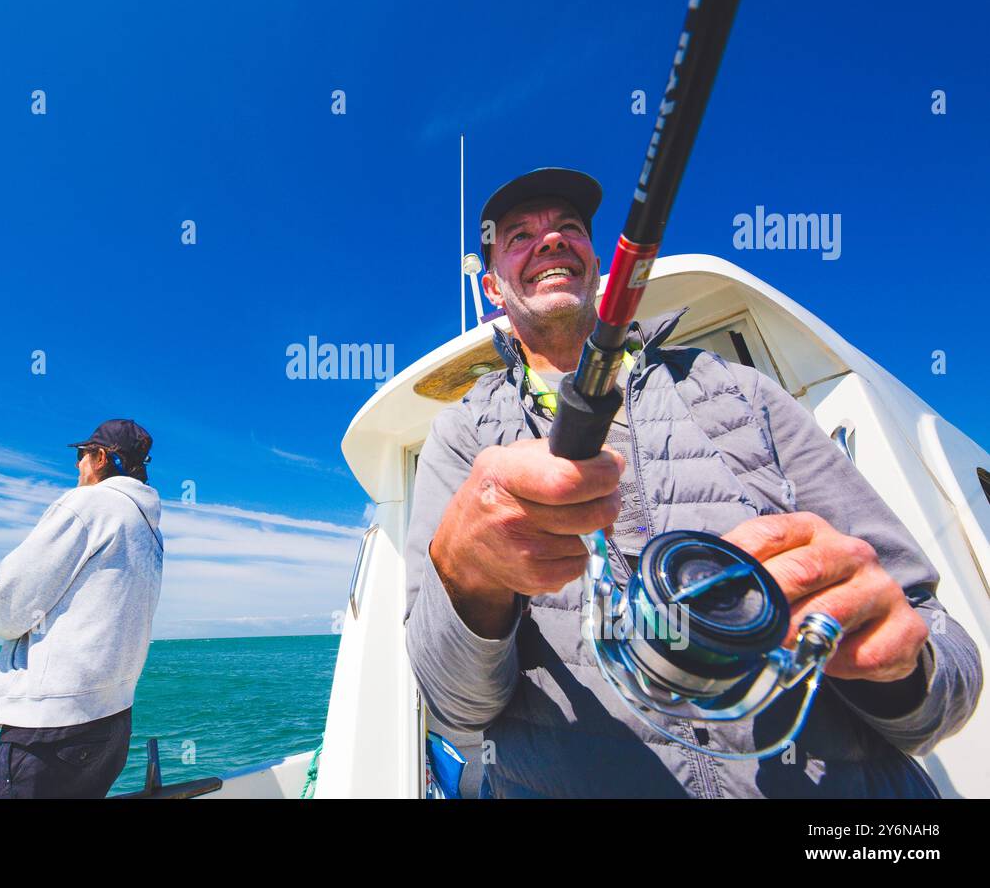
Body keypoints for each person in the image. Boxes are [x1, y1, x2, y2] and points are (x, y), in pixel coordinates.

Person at [405, 167, 983, 798]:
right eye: (520, 235)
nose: (550, 241)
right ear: (492, 286)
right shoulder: (459, 437)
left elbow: (944, 666)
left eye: (569, 228)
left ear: (597, 263)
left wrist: (894, 668)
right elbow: (456, 706)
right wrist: (466, 573)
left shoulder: (742, 391)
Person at [0, 419, 162, 798]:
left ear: (102, 457)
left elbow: (12, 608)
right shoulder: (148, 528)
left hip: (52, 728)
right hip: (113, 724)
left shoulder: (87, 504)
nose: (77, 465)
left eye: (82, 455)